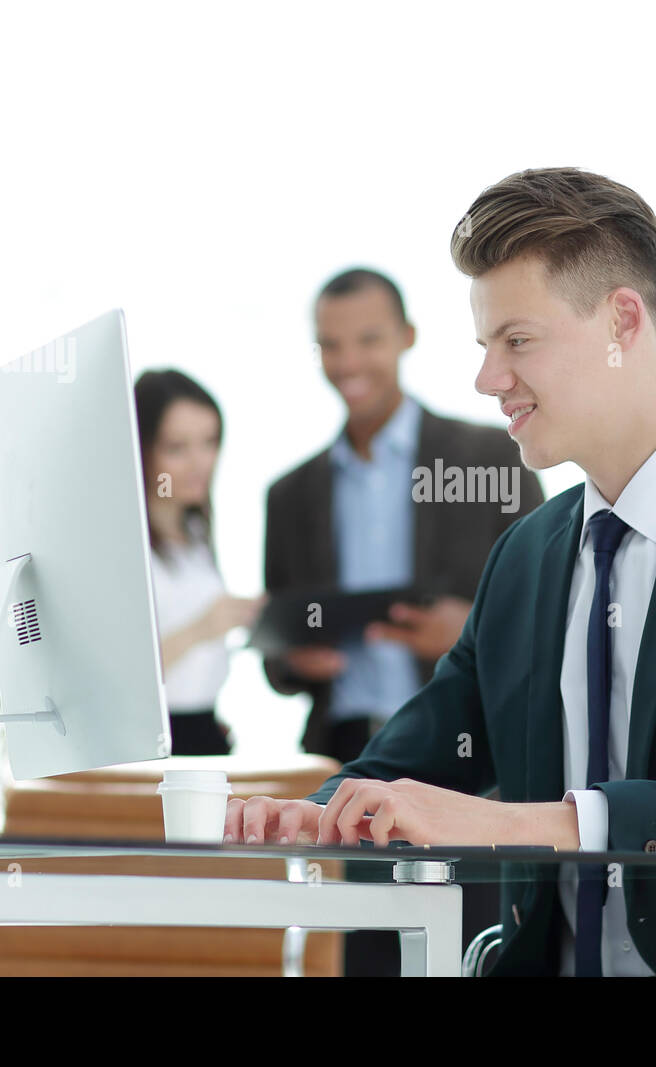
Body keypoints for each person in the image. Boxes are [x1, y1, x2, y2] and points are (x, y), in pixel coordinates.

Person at [227, 168, 656, 977]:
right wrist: (314, 813)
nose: (488, 379)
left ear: (622, 322)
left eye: (517, 341)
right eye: (485, 347)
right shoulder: (525, 557)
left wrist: (554, 823)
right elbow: (417, 758)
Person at [261, 267, 545, 975]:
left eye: (367, 340)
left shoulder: (492, 457)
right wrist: (296, 658)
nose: (348, 362)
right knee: (362, 962)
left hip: (463, 774)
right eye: (330, 345)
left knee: (465, 955)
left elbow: (553, 621)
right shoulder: (291, 494)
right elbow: (275, 649)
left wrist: (471, 630)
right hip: (349, 765)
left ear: (408, 338)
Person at [136, 369, 262, 756]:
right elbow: (119, 679)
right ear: (143, 448)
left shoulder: (196, 538)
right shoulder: (127, 547)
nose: (200, 463)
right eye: (177, 447)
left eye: (209, 442)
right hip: (151, 742)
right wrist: (203, 628)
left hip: (204, 731)